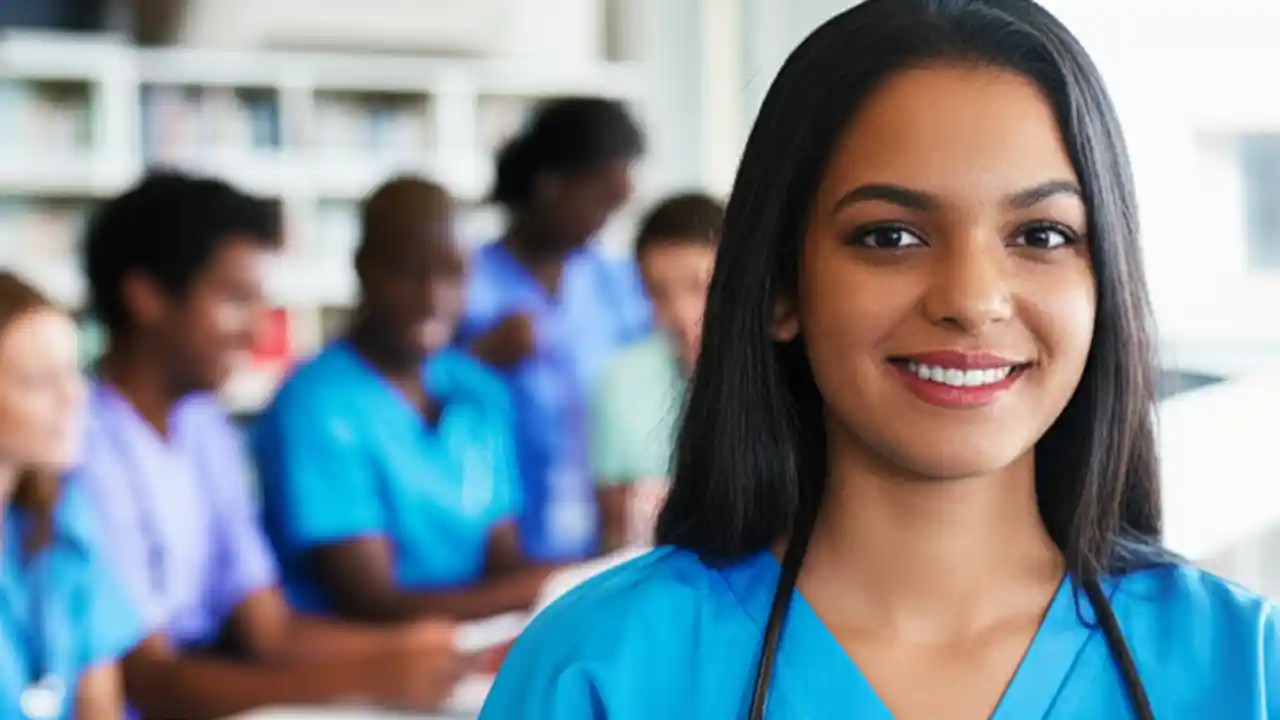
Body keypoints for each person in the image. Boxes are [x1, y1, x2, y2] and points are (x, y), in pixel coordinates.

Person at [482, 1, 1280, 718]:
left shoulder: (1248, 671)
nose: (972, 299)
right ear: (780, 287)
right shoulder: (598, 672)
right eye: (890, 236)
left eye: (1041, 235)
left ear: (1105, 284)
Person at [75, 172, 468, 719]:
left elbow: (270, 630)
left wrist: (417, 649)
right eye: (235, 300)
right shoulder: (83, 449)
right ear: (146, 296)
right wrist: (376, 674)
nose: (257, 331)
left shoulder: (204, 426)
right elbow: (150, 682)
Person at [255, 177, 555, 622]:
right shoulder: (316, 406)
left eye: (452, 274)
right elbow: (372, 601)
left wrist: (558, 585)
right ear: (363, 269)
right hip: (373, 657)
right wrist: (540, 589)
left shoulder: (477, 388)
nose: (432, 297)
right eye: (407, 272)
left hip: (479, 646)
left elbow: (502, 555)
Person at [459, 97, 651, 562]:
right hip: (490, 545)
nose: (603, 223)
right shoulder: (467, 281)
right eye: (599, 202)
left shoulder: (615, 282)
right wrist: (478, 355)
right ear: (551, 187)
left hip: (601, 540)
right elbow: (409, 397)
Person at [0, 272, 141, 720]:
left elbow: (99, 707)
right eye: (39, 382)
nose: (75, 397)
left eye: (76, 372)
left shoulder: (64, 518)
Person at [591, 193, 723, 551]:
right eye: (657, 293)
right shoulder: (623, 382)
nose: (680, 313)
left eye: (700, 286)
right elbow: (617, 540)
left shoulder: (790, 377)